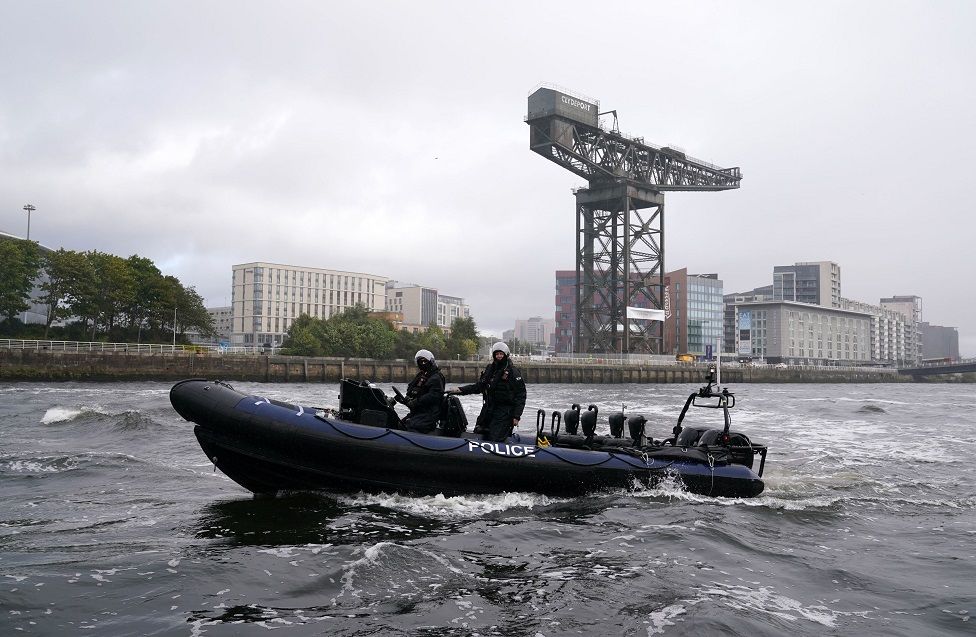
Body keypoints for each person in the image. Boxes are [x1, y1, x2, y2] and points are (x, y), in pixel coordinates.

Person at [447, 341, 526, 442]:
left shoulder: (513, 372)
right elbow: (479, 386)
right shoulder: (490, 369)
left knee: (495, 437)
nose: (499, 356)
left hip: (504, 412)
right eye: (497, 354)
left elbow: (521, 395)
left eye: (501, 354)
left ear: (506, 355)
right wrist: (460, 390)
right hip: (489, 409)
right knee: (478, 431)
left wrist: (516, 416)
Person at [397, 349, 445, 434]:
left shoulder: (436, 377)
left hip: (428, 414)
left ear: (431, 361)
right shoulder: (421, 375)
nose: (422, 364)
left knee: (411, 427)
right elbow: (411, 388)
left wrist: (416, 402)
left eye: (424, 361)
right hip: (417, 412)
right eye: (420, 362)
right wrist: (406, 399)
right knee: (400, 424)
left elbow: (434, 396)